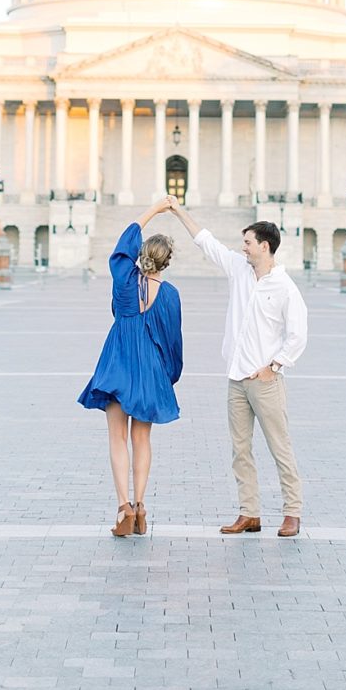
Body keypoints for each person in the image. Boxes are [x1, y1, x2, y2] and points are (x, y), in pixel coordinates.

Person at [164, 201, 308, 537]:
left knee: (280, 447)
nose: (242, 247)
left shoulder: (284, 287)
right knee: (240, 450)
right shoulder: (239, 270)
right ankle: (249, 513)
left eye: (247, 242)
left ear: (264, 246)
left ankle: (292, 512)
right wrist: (178, 211)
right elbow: (206, 241)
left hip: (265, 381)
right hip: (236, 378)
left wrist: (275, 366)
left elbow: (298, 334)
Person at [75, 198, 185, 538]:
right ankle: (140, 506)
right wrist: (167, 377)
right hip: (149, 368)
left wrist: (155, 209)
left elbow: (125, 239)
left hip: (118, 361)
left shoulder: (124, 279)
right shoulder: (170, 295)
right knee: (142, 439)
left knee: (117, 437)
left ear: (141, 255)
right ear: (167, 261)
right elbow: (173, 343)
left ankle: (122, 505)